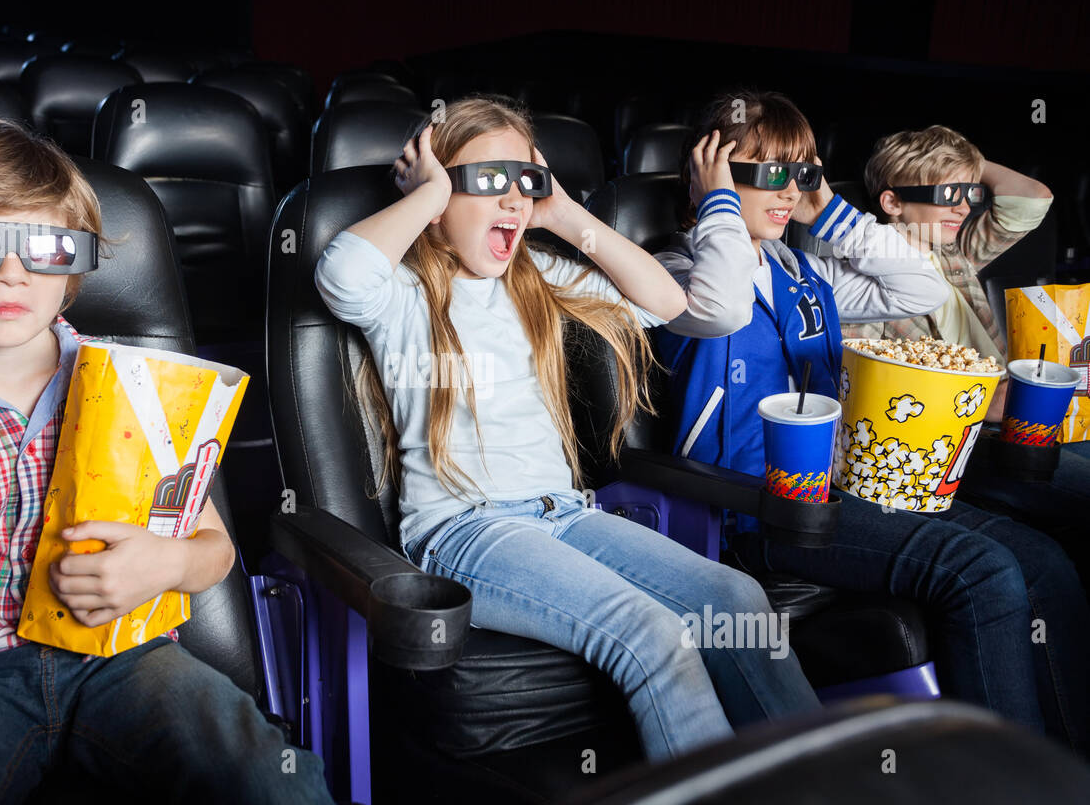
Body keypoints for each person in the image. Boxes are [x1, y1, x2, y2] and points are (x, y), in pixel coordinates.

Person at [0, 113, 336, 805]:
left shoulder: (135, 388)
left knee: (270, 783)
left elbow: (213, 549)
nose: (10, 272)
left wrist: (168, 563)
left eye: (46, 247)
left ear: (73, 271)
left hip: (126, 660)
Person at [314, 95, 821, 765]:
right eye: (487, 181)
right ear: (436, 200)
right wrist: (431, 191)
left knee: (736, 599)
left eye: (525, 182)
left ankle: (820, 783)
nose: (514, 201)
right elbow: (340, 274)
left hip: (566, 515)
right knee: (653, 632)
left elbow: (671, 303)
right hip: (467, 528)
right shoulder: (404, 293)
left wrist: (561, 211)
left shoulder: (536, 276)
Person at [654, 90, 1089, 756]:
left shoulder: (800, 271)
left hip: (846, 485)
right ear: (708, 174)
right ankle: (1007, 788)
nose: (787, 189)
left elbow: (921, 287)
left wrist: (823, 207)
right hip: (761, 508)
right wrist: (715, 202)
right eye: (767, 171)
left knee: (1044, 563)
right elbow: (725, 302)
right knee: (981, 570)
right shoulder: (675, 273)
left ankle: (1063, 770)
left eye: (801, 172)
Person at [849, 127, 1090, 579]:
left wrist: (960, 155)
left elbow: (1033, 197)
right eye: (947, 192)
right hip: (969, 444)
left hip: (1021, 422)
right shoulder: (864, 282)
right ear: (892, 202)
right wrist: (995, 404)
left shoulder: (955, 253)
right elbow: (877, 408)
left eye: (969, 192)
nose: (963, 205)